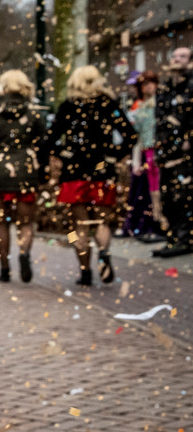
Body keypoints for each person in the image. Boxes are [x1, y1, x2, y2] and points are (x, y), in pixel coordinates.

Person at [42, 65, 138, 285]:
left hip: (74, 173)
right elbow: (130, 135)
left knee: (79, 225)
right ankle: (104, 254)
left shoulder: (68, 106)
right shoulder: (108, 104)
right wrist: (113, 154)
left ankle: (84, 271)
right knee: (103, 221)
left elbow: (49, 141)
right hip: (103, 171)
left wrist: (64, 154)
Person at [0, 69, 47, 282]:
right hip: (25, 173)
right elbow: (42, 148)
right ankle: (24, 254)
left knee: (1, 223)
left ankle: (4, 269)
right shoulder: (34, 113)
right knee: (25, 223)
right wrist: (44, 176)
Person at [154, 47, 193, 258]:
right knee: (167, 197)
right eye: (175, 56)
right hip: (165, 153)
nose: (177, 60)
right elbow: (159, 119)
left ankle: (186, 238)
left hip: (185, 155)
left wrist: (189, 140)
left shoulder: (191, 86)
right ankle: (172, 238)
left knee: (184, 197)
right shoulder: (166, 87)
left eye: (183, 56)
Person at [125, 71, 162, 241]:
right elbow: (136, 137)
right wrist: (136, 161)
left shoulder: (161, 104)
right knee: (145, 190)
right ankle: (146, 225)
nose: (147, 87)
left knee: (155, 189)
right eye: (144, 84)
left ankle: (156, 224)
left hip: (157, 151)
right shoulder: (140, 106)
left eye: (150, 83)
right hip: (145, 151)